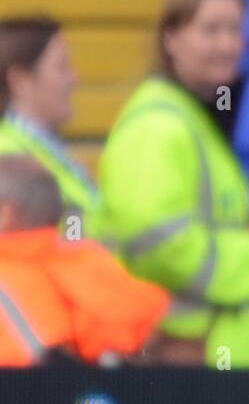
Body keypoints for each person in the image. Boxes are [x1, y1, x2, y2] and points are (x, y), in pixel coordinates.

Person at [94, 0, 249, 368]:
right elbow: (155, 240)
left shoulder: (189, 119)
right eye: (210, 30)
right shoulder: (158, 125)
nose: (228, 44)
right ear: (171, 38)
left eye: (235, 29)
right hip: (180, 361)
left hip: (210, 358)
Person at [0, 154, 169, 367]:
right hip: (118, 392)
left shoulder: (9, 278)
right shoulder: (93, 261)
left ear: (5, 215)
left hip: (39, 393)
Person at [0, 17, 98, 238]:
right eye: (61, 67)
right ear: (20, 81)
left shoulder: (42, 151)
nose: (74, 79)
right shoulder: (9, 159)